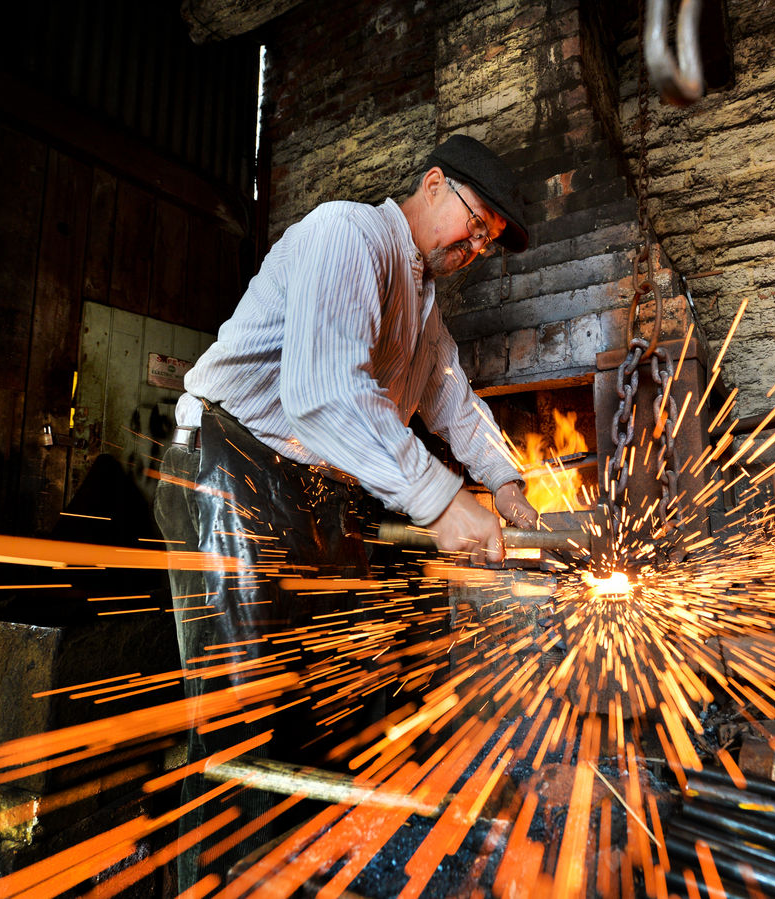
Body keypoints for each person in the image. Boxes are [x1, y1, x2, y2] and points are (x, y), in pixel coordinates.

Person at [153, 134, 538, 889]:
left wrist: (508, 482)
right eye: (477, 220)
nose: (478, 244)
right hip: (229, 461)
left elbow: (453, 401)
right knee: (241, 707)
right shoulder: (348, 235)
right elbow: (325, 392)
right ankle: (218, 875)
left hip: (312, 484)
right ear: (432, 184)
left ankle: (304, 868)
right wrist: (441, 502)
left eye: (490, 240)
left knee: (337, 686)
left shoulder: (423, 307)